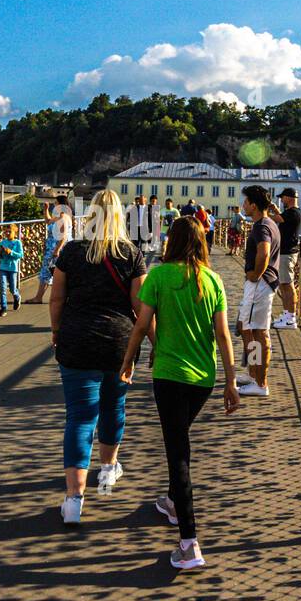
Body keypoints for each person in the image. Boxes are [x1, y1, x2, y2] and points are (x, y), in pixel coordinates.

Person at [121, 216, 239, 570]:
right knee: (179, 436)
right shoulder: (213, 280)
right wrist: (230, 380)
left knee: (178, 453)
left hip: (170, 375)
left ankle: (189, 543)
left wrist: (128, 362)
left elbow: (141, 324)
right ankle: (173, 502)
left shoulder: (159, 274)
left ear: (170, 241)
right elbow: (223, 336)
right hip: (203, 378)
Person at [49, 189, 149, 525]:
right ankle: (107, 472)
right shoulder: (131, 254)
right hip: (119, 344)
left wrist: (56, 331)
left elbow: (56, 299)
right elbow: (140, 307)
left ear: (90, 215)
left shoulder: (73, 253)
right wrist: (155, 343)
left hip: (76, 341)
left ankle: (74, 501)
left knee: (79, 419)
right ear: (121, 216)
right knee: (112, 407)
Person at [235, 185, 280, 398]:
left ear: (253, 205)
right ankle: (253, 376)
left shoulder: (261, 226)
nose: (243, 205)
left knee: (259, 332)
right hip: (261, 284)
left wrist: (255, 273)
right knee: (249, 329)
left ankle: (261, 384)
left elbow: (264, 251)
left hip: (260, 284)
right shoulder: (268, 223)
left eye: (245, 202)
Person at [267, 188, 301, 330]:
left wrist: (264, 212)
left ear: (289, 198)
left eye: (283, 197)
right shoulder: (294, 212)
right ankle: (287, 315)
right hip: (285, 252)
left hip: (287, 253)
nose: (281, 200)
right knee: (284, 284)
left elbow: (277, 219)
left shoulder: (293, 213)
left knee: (288, 286)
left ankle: (291, 318)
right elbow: (282, 218)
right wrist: (276, 210)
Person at [28, 196, 73, 304]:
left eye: (56, 203)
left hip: (56, 250)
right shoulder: (60, 216)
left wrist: (56, 251)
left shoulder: (63, 217)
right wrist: (46, 209)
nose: (55, 205)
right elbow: (48, 221)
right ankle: (42, 297)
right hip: (54, 248)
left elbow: (64, 236)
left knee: (47, 273)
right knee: (55, 273)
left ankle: (39, 298)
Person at [0, 224, 24, 317]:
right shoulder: (2, 242)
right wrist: (0, 253)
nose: (7, 233)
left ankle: (17, 297)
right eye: (6, 232)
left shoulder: (17, 243)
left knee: (12, 288)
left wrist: (10, 252)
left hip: (13, 268)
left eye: (9, 232)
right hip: (3, 267)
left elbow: (20, 255)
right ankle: (3, 308)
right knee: (3, 288)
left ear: (14, 232)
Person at [125, 194, 159, 261]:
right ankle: (135, 255)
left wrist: (151, 230)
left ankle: (142, 256)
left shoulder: (149, 208)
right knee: (135, 243)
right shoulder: (135, 207)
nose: (140, 201)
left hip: (145, 229)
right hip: (136, 228)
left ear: (145, 200)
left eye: (142, 200)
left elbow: (150, 219)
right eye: (139, 200)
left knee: (143, 243)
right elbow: (131, 218)